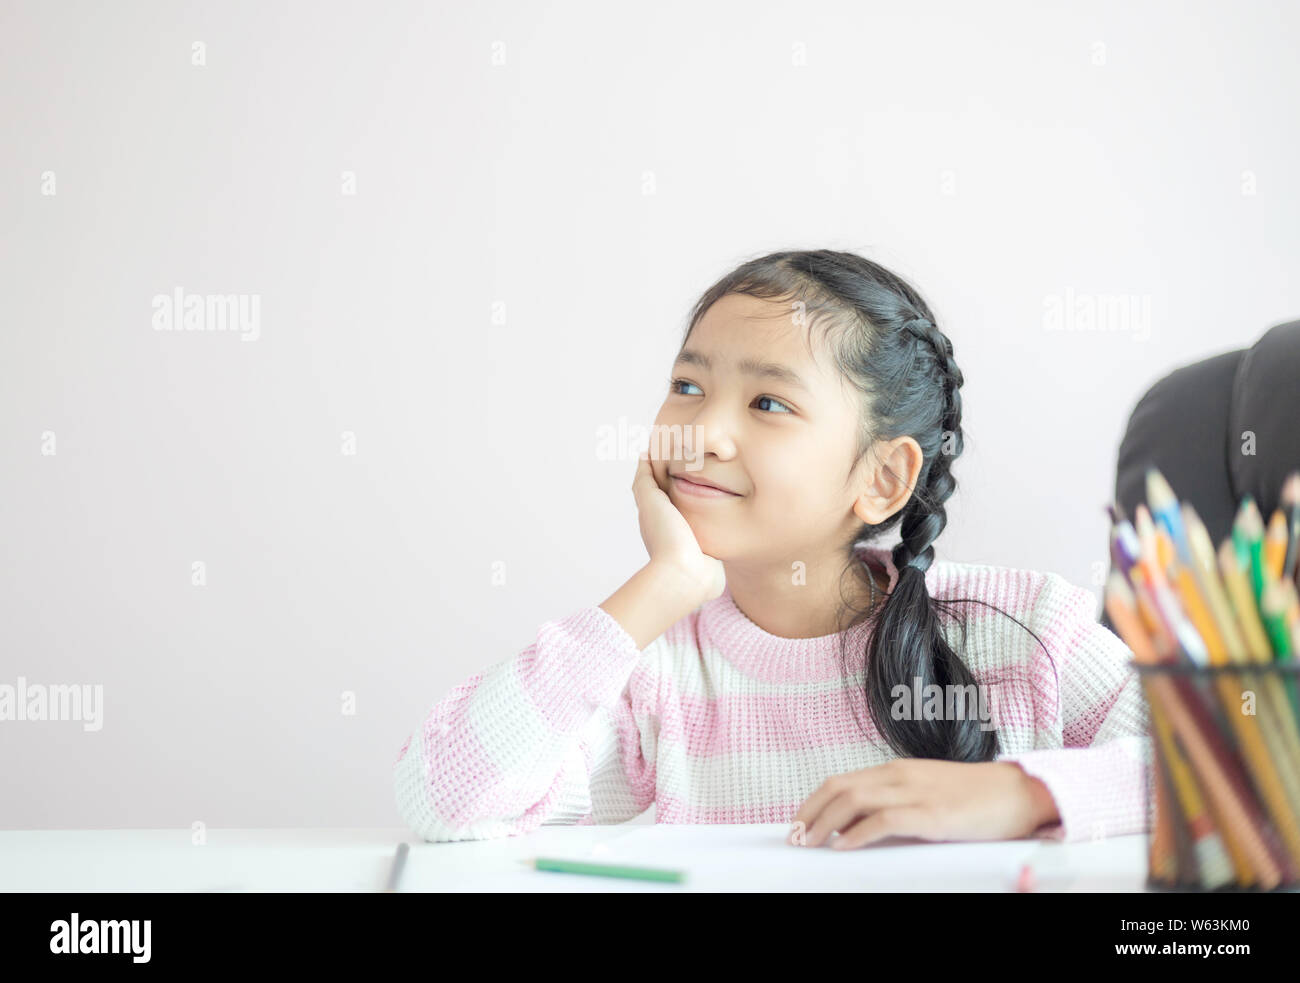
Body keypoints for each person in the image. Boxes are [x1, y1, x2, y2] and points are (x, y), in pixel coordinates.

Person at [393, 249, 1150, 848]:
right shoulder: (658, 677)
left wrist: (1019, 794)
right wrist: (658, 588)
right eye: (688, 385)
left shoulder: (1025, 631)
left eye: (768, 403)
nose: (704, 433)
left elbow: (1242, 777)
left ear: (883, 478)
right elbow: (442, 798)